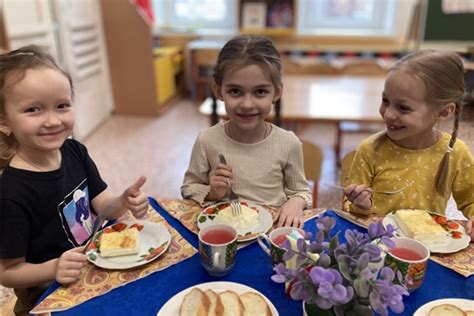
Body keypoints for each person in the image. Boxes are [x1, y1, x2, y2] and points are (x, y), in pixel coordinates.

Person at [0, 45, 149, 315]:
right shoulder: (10, 193)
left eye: (62, 106)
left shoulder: (74, 151)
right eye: (34, 109)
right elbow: (8, 272)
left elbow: (103, 208)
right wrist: (53, 268)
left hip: (94, 263)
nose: (53, 120)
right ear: (4, 120)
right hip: (46, 291)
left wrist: (123, 201)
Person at [181, 35, 311, 228]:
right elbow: (189, 188)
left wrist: (296, 202)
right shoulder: (206, 140)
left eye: (260, 92)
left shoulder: (288, 143)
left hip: (269, 234)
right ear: (218, 91)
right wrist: (212, 192)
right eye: (235, 91)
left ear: (276, 92)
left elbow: (301, 191)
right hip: (223, 232)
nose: (247, 104)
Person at [343, 50, 474, 241]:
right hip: (378, 246)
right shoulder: (370, 149)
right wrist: (359, 204)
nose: (388, 114)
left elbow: (471, 199)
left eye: (403, 107)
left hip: (430, 248)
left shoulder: (455, 151)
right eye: (385, 101)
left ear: (444, 112)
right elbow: (351, 209)